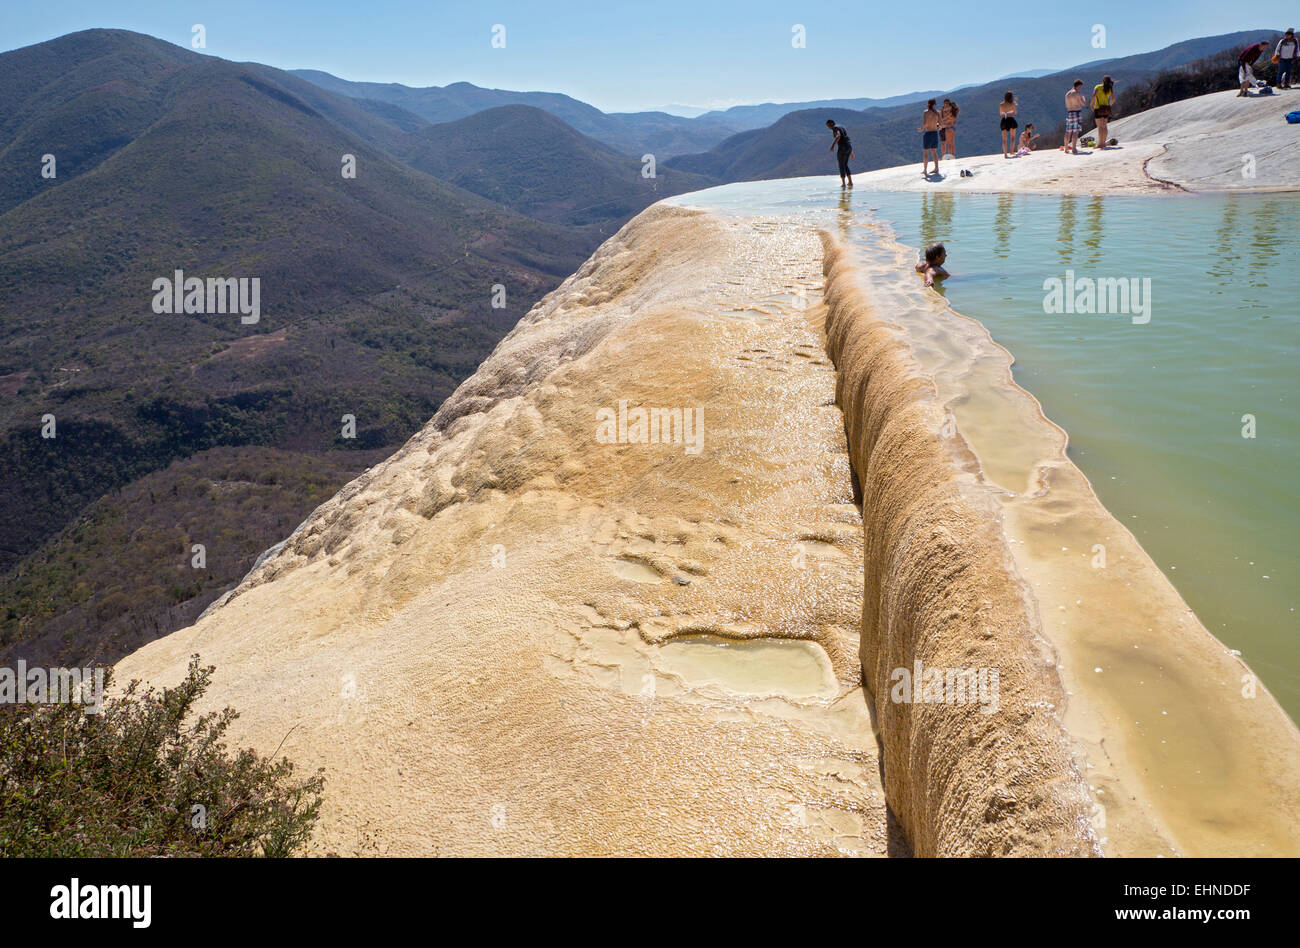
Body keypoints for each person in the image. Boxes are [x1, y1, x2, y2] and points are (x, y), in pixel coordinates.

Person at [826, 119, 854, 187]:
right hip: (848, 147)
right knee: (845, 165)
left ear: (831, 123)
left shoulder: (835, 128)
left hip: (842, 148)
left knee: (841, 165)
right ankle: (850, 182)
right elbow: (846, 138)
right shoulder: (841, 126)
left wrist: (832, 146)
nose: (828, 127)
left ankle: (843, 183)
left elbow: (838, 136)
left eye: (828, 126)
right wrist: (851, 151)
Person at [918, 99, 941, 176]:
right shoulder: (937, 113)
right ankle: (936, 168)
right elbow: (940, 125)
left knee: (925, 153)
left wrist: (921, 129)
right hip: (935, 133)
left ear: (928, 104)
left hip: (928, 133)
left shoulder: (926, 112)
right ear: (934, 104)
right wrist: (936, 125)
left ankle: (925, 170)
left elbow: (924, 123)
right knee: (934, 152)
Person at [1091, 76, 1115, 147]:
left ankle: (1100, 144)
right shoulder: (1109, 88)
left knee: (1100, 127)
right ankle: (1103, 142)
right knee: (1104, 126)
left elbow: (1093, 96)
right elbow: (1113, 99)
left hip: (1098, 108)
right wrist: (1109, 105)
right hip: (1106, 108)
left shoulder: (1098, 87)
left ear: (1102, 80)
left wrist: (1091, 105)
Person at [1064, 79, 1086, 154]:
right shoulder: (1077, 93)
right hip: (1076, 112)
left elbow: (1066, 105)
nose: (1081, 88)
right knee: (1075, 132)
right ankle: (1073, 148)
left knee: (1068, 132)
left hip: (1069, 112)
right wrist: (1083, 97)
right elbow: (1083, 104)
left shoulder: (1067, 94)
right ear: (1078, 85)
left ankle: (1066, 148)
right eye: (1080, 87)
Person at [998, 91, 1018, 158]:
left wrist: (1005, 112)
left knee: (1004, 139)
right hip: (1011, 120)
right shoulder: (1013, 104)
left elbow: (1001, 113)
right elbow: (1015, 112)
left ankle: (1005, 154)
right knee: (1012, 137)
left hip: (1004, 120)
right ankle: (1011, 151)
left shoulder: (1001, 104)